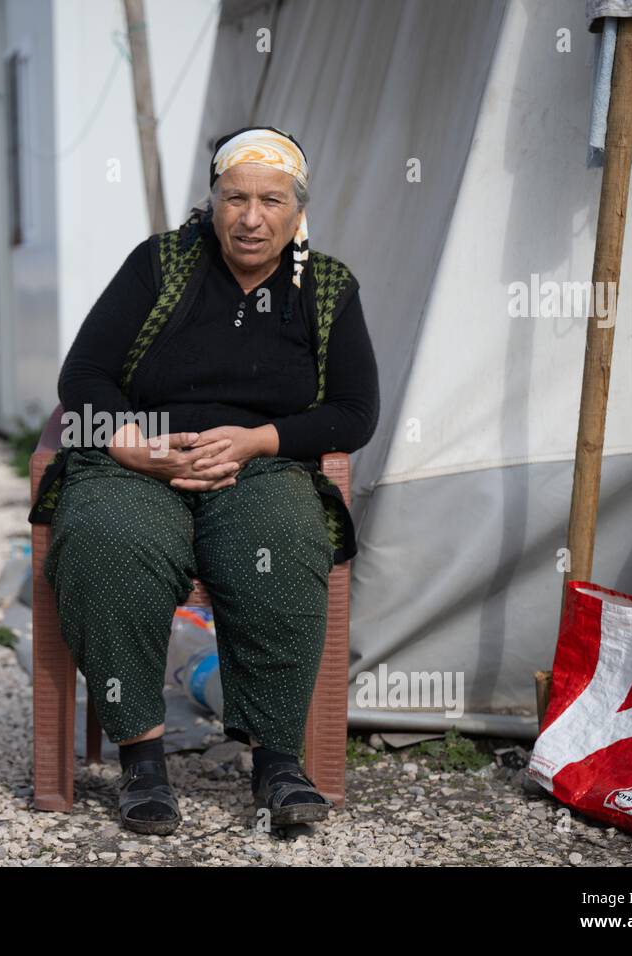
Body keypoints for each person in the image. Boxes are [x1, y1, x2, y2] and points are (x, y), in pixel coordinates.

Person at [29, 126, 380, 834]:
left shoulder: (329, 287)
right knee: (106, 539)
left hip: (261, 463)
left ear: (298, 209)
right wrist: (130, 446)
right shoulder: (159, 264)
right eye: (236, 198)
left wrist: (256, 439)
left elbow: (354, 411)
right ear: (213, 202)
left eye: (271, 200)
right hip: (139, 458)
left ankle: (278, 763)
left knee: (282, 540)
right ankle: (143, 762)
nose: (251, 218)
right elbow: (85, 375)